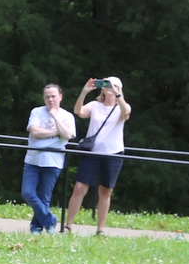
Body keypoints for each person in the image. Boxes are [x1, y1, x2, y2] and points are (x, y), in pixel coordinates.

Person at [64, 76, 131, 235]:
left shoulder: (121, 107)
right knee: (79, 188)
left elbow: (126, 113)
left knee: (106, 191)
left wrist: (118, 95)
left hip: (113, 153)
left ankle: (100, 229)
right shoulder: (95, 105)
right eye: (106, 84)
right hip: (92, 152)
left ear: (119, 88)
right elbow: (78, 112)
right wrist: (84, 91)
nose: (108, 87)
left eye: (112, 85)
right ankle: (68, 226)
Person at [22, 83, 76, 234]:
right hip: (32, 160)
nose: (50, 99)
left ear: (60, 97)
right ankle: (50, 220)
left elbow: (68, 135)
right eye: (47, 97)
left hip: (53, 161)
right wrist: (57, 131)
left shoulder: (67, 116)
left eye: (53, 96)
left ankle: (36, 228)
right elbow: (35, 132)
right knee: (27, 193)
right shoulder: (37, 112)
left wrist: (55, 117)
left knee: (44, 197)